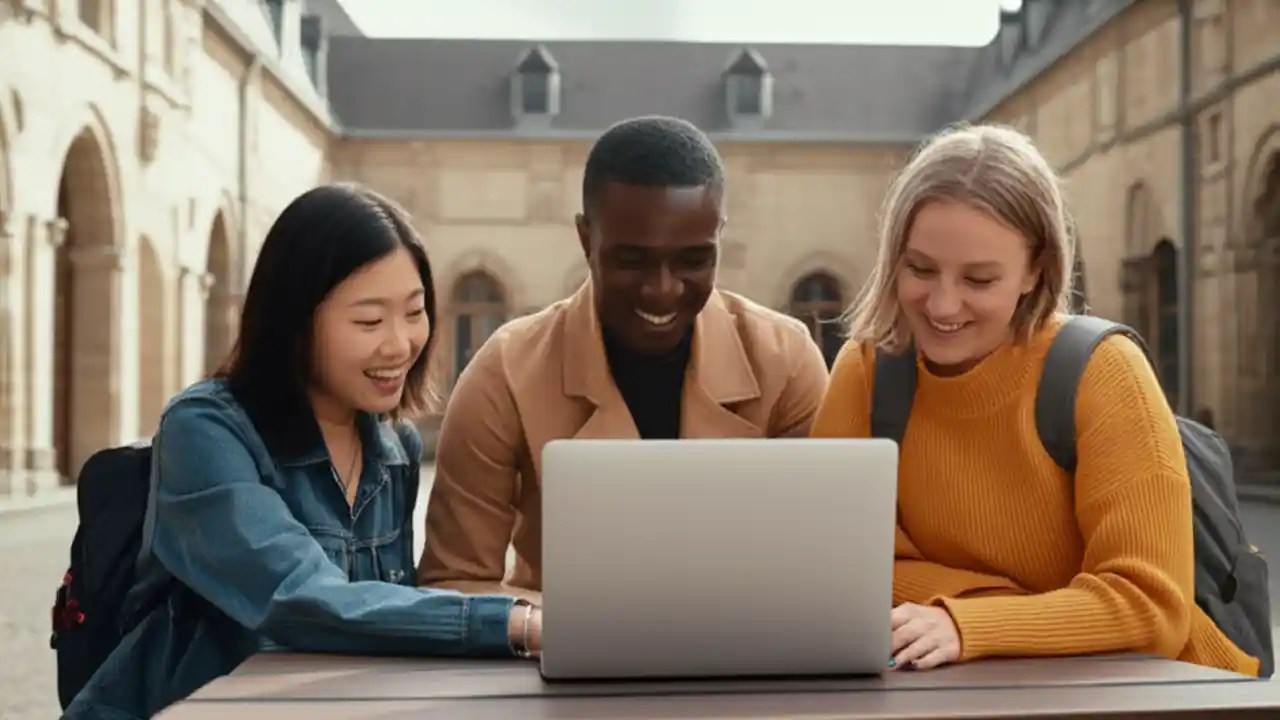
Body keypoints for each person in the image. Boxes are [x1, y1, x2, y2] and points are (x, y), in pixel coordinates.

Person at [63, 184, 541, 719]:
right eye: (368, 320)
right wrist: (513, 623)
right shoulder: (206, 429)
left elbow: (382, 624)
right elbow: (299, 599)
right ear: (294, 320)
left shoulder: (394, 447)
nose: (400, 344)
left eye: (414, 312)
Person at [810, 124, 1260, 676]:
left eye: (979, 279)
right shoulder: (864, 373)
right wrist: (1013, 607)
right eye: (921, 269)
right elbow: (836, 565)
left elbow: (1152, 607)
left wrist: (970, 622)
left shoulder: (1103, 371)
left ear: (1036, 271)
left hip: (1162, 694)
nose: (942, 305)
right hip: (971, 689)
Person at [418, 115, 830, 601]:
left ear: (720, 236)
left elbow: (821, 566)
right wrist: (567, 629)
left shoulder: (787, 359)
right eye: (632, 261)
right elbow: (455, 582)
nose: (662, 289)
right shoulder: (505, 371)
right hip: (556, 660)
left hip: (746, 651)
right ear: (585, 238)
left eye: (693, 260)